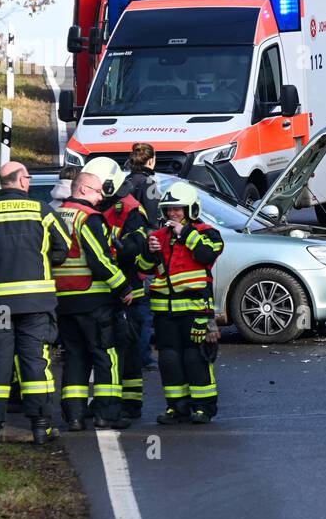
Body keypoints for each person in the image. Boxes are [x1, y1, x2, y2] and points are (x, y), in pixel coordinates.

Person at [0, 161, 70, 444]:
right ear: (21, 181)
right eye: (28, 178)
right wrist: (43, 262)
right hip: (35, 302)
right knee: (35, 362)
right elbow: (63, 246)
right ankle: (40, 427)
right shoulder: (41, 210)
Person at [138, 181, 223, 425]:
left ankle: (203, 408)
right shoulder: (158, 236)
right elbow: (144, 270)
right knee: (169, 361)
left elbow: (207, 255)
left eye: (179, 209)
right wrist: (148, 251)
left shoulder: (207, 232)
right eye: (169, 209)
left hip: (195, 312)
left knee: (195, 359)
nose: (173, 214)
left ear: (190, 210)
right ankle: (177, 407)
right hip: (164, 313)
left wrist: (184, 234)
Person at [54, 171, 134, 430]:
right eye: (99, 191)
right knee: (105, 355)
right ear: (85, 189)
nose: (101, 197)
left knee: (75, 357)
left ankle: (75, 417)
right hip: (93, 299)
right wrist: (123, 287)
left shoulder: (56, 214)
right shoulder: (88, 218)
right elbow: (98, 259)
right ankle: (107, 414)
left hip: (63, 300)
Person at [84, 156, 153, 414]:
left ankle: (131, 402)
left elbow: (137, 244)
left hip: (128, 292)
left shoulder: (131, 209)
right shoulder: (99, 207)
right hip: (102, 291)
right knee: (104, 350)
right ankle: (106, 400)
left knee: (129, 348)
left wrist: (109, 249)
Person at [124, 144, 160, 368]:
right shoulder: (149, 184)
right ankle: (143, 357)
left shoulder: (124, 182)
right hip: (142, 252)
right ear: (151, 161)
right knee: (143, 310)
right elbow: (154, 221)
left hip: (123, 251)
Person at [125, 143, 162, 225]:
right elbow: (152, 216)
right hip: (140, 233)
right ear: (151, 161)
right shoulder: (148, 182)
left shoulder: (125, 180)